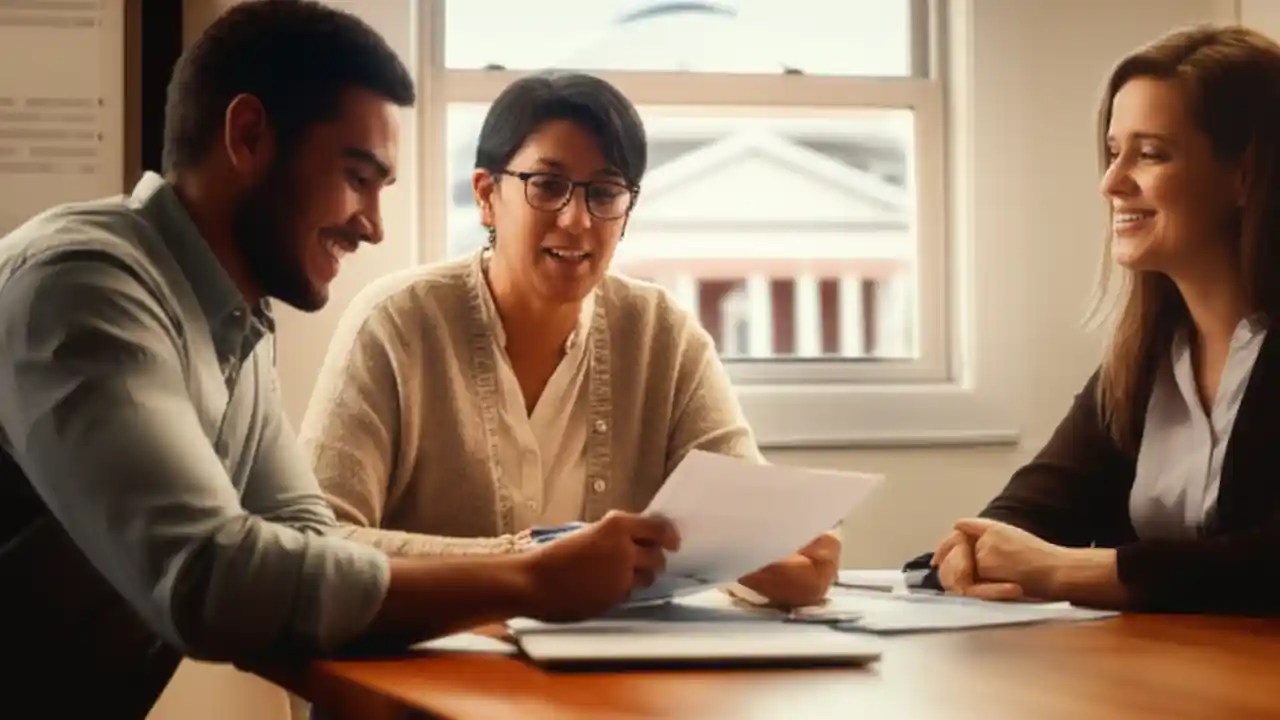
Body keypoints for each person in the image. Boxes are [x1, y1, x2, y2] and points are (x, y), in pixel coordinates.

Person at [0, 3, 675, 716]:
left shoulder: (235, 320)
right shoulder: (82, 285)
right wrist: (530, 578)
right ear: (250, 135)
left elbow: (307, 547)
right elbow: (211, 579)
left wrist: (531, 574)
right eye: (358, 177)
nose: (374, 226)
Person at [300, 72, 840, 609]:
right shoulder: (397, 323)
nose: (577, 219)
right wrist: (532, 562)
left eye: (605, 193)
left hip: (611, 684)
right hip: (423, 677)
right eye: (548, 186)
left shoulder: (663, 338)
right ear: (487, 196)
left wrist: (778, 561)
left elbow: (752, 520)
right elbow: (318, 544)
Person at [920, 25, 1280, 615]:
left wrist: (1068, 569)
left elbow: (1267, 563)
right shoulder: (1146, 358)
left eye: (1151, 153)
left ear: (1245, 176)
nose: (1112, 182)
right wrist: (974, 549)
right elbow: (1031, 511)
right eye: (1114, 152)